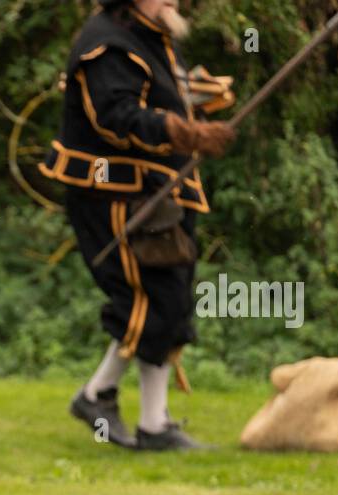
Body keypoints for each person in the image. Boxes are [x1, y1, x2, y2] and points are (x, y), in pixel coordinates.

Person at [40, 0, 237, 450]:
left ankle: (135, 413)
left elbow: (163, 92)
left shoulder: (148, 37)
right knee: (149, 299)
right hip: (115, 195)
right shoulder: (106, 45)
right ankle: (116, 406)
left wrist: (200, 95)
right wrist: (186, 133)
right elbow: (116, 118)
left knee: (168, 298)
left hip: (154, 192)